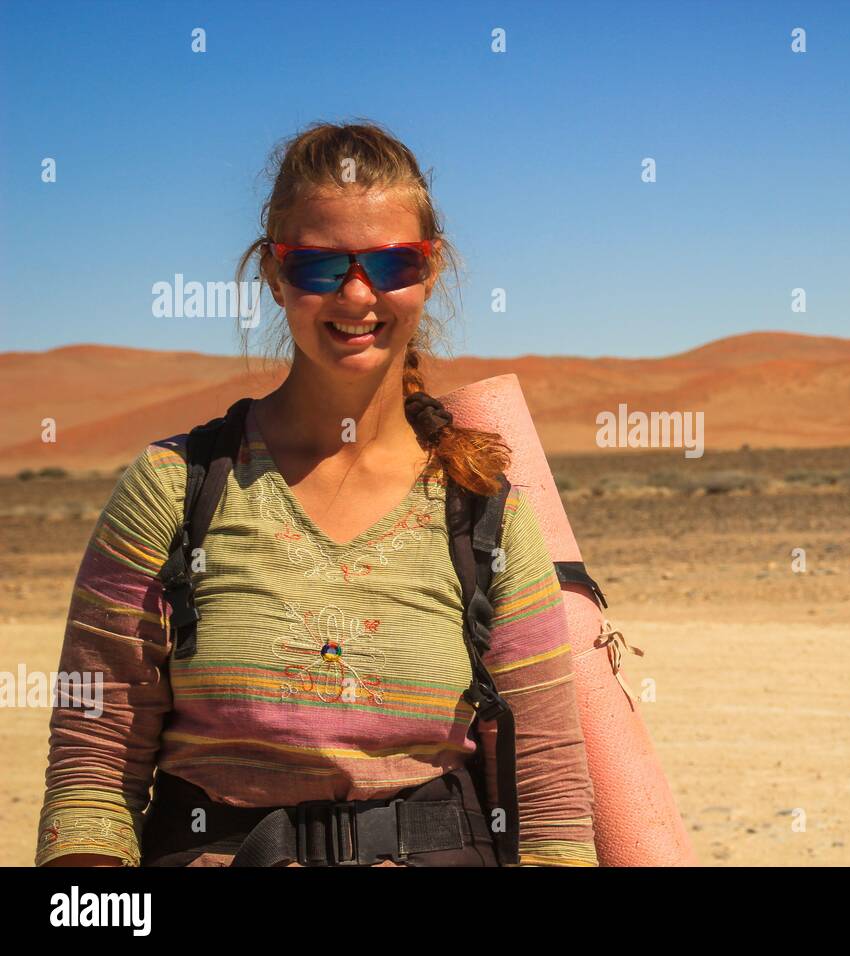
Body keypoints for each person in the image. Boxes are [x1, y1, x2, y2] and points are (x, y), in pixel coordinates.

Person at [35, 121, 598, 867]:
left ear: (431, 272)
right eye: (320, 265)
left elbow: (549, 795)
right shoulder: (173, 491)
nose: (358, 294)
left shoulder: (484, 513)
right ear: (274, 274)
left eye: (394, 262)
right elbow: (92, 768)